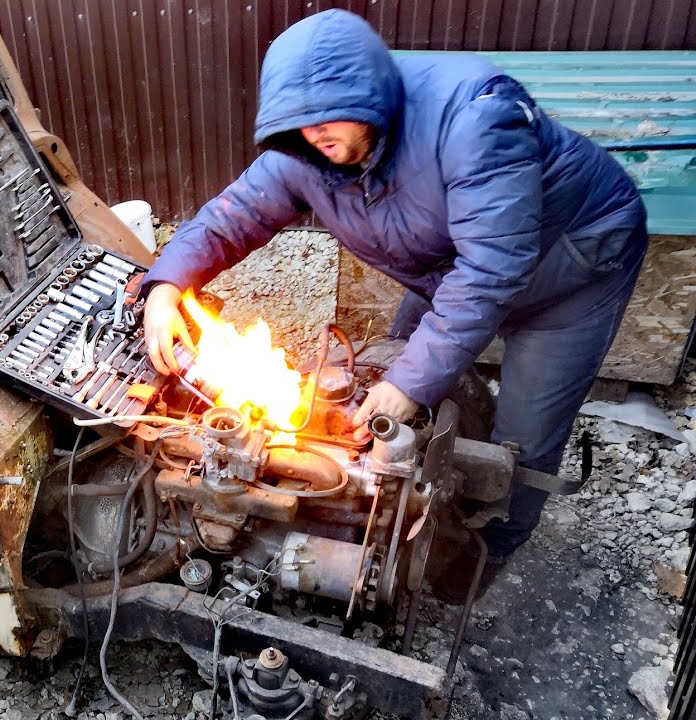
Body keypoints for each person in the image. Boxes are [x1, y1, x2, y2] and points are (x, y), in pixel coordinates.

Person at [140, 9, 647, 602]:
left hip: (571, 267)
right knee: (391, 377)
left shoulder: (475, 117)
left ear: (371, 96)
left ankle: (470, 572)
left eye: (327, 116)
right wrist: (167, 285)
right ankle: (393, 519)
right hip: (452, 267)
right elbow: (232, 217)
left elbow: (493, 268)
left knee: (520, 450)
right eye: (299, 123)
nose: (314, 134)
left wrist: (412, 382)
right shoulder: (306, 150)